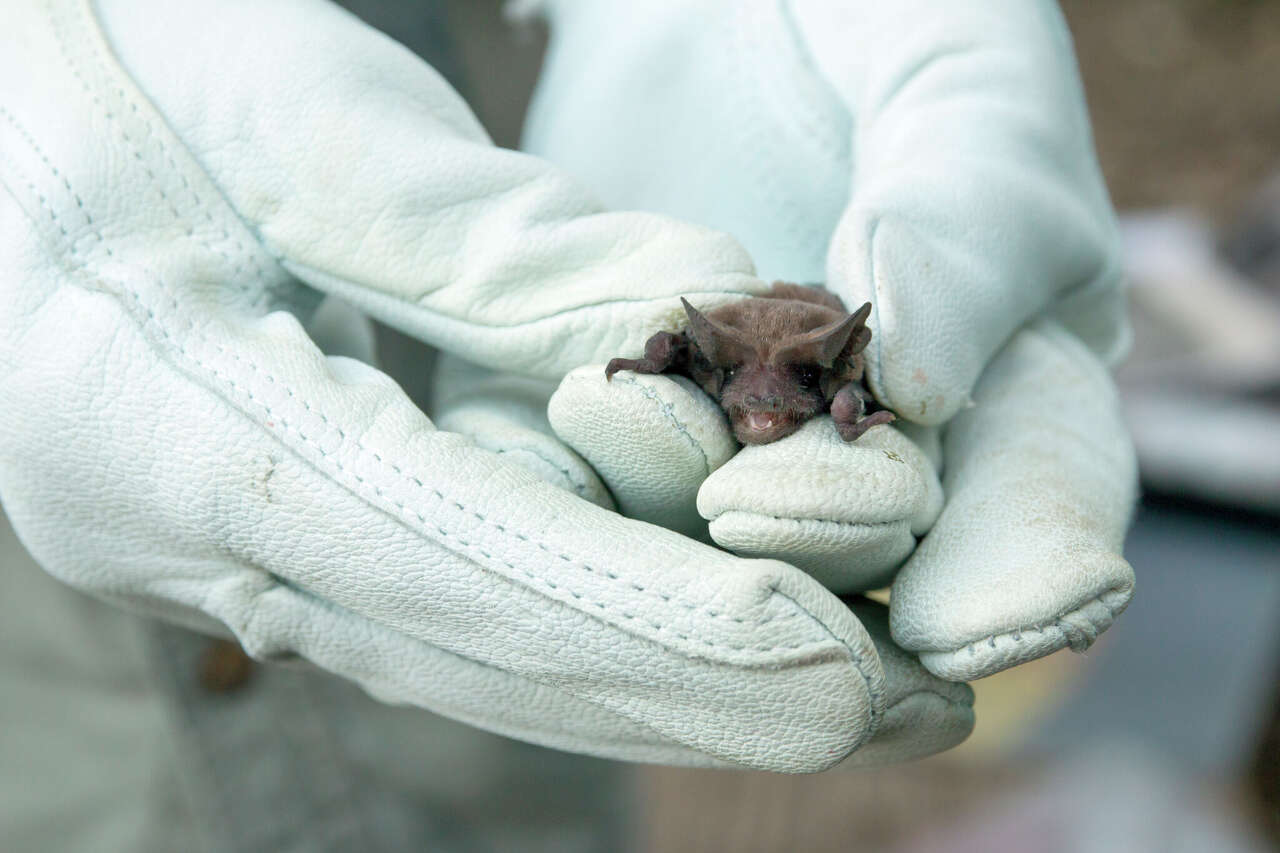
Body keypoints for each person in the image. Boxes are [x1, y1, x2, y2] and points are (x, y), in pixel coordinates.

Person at [0, 0, 1136, 848]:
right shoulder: (716, 362)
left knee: (549, 602)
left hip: (511, 117)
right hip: (61, 720)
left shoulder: (811, 377)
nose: (755, 417)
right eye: (746, 405)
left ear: (815, 392)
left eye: (770, 409)